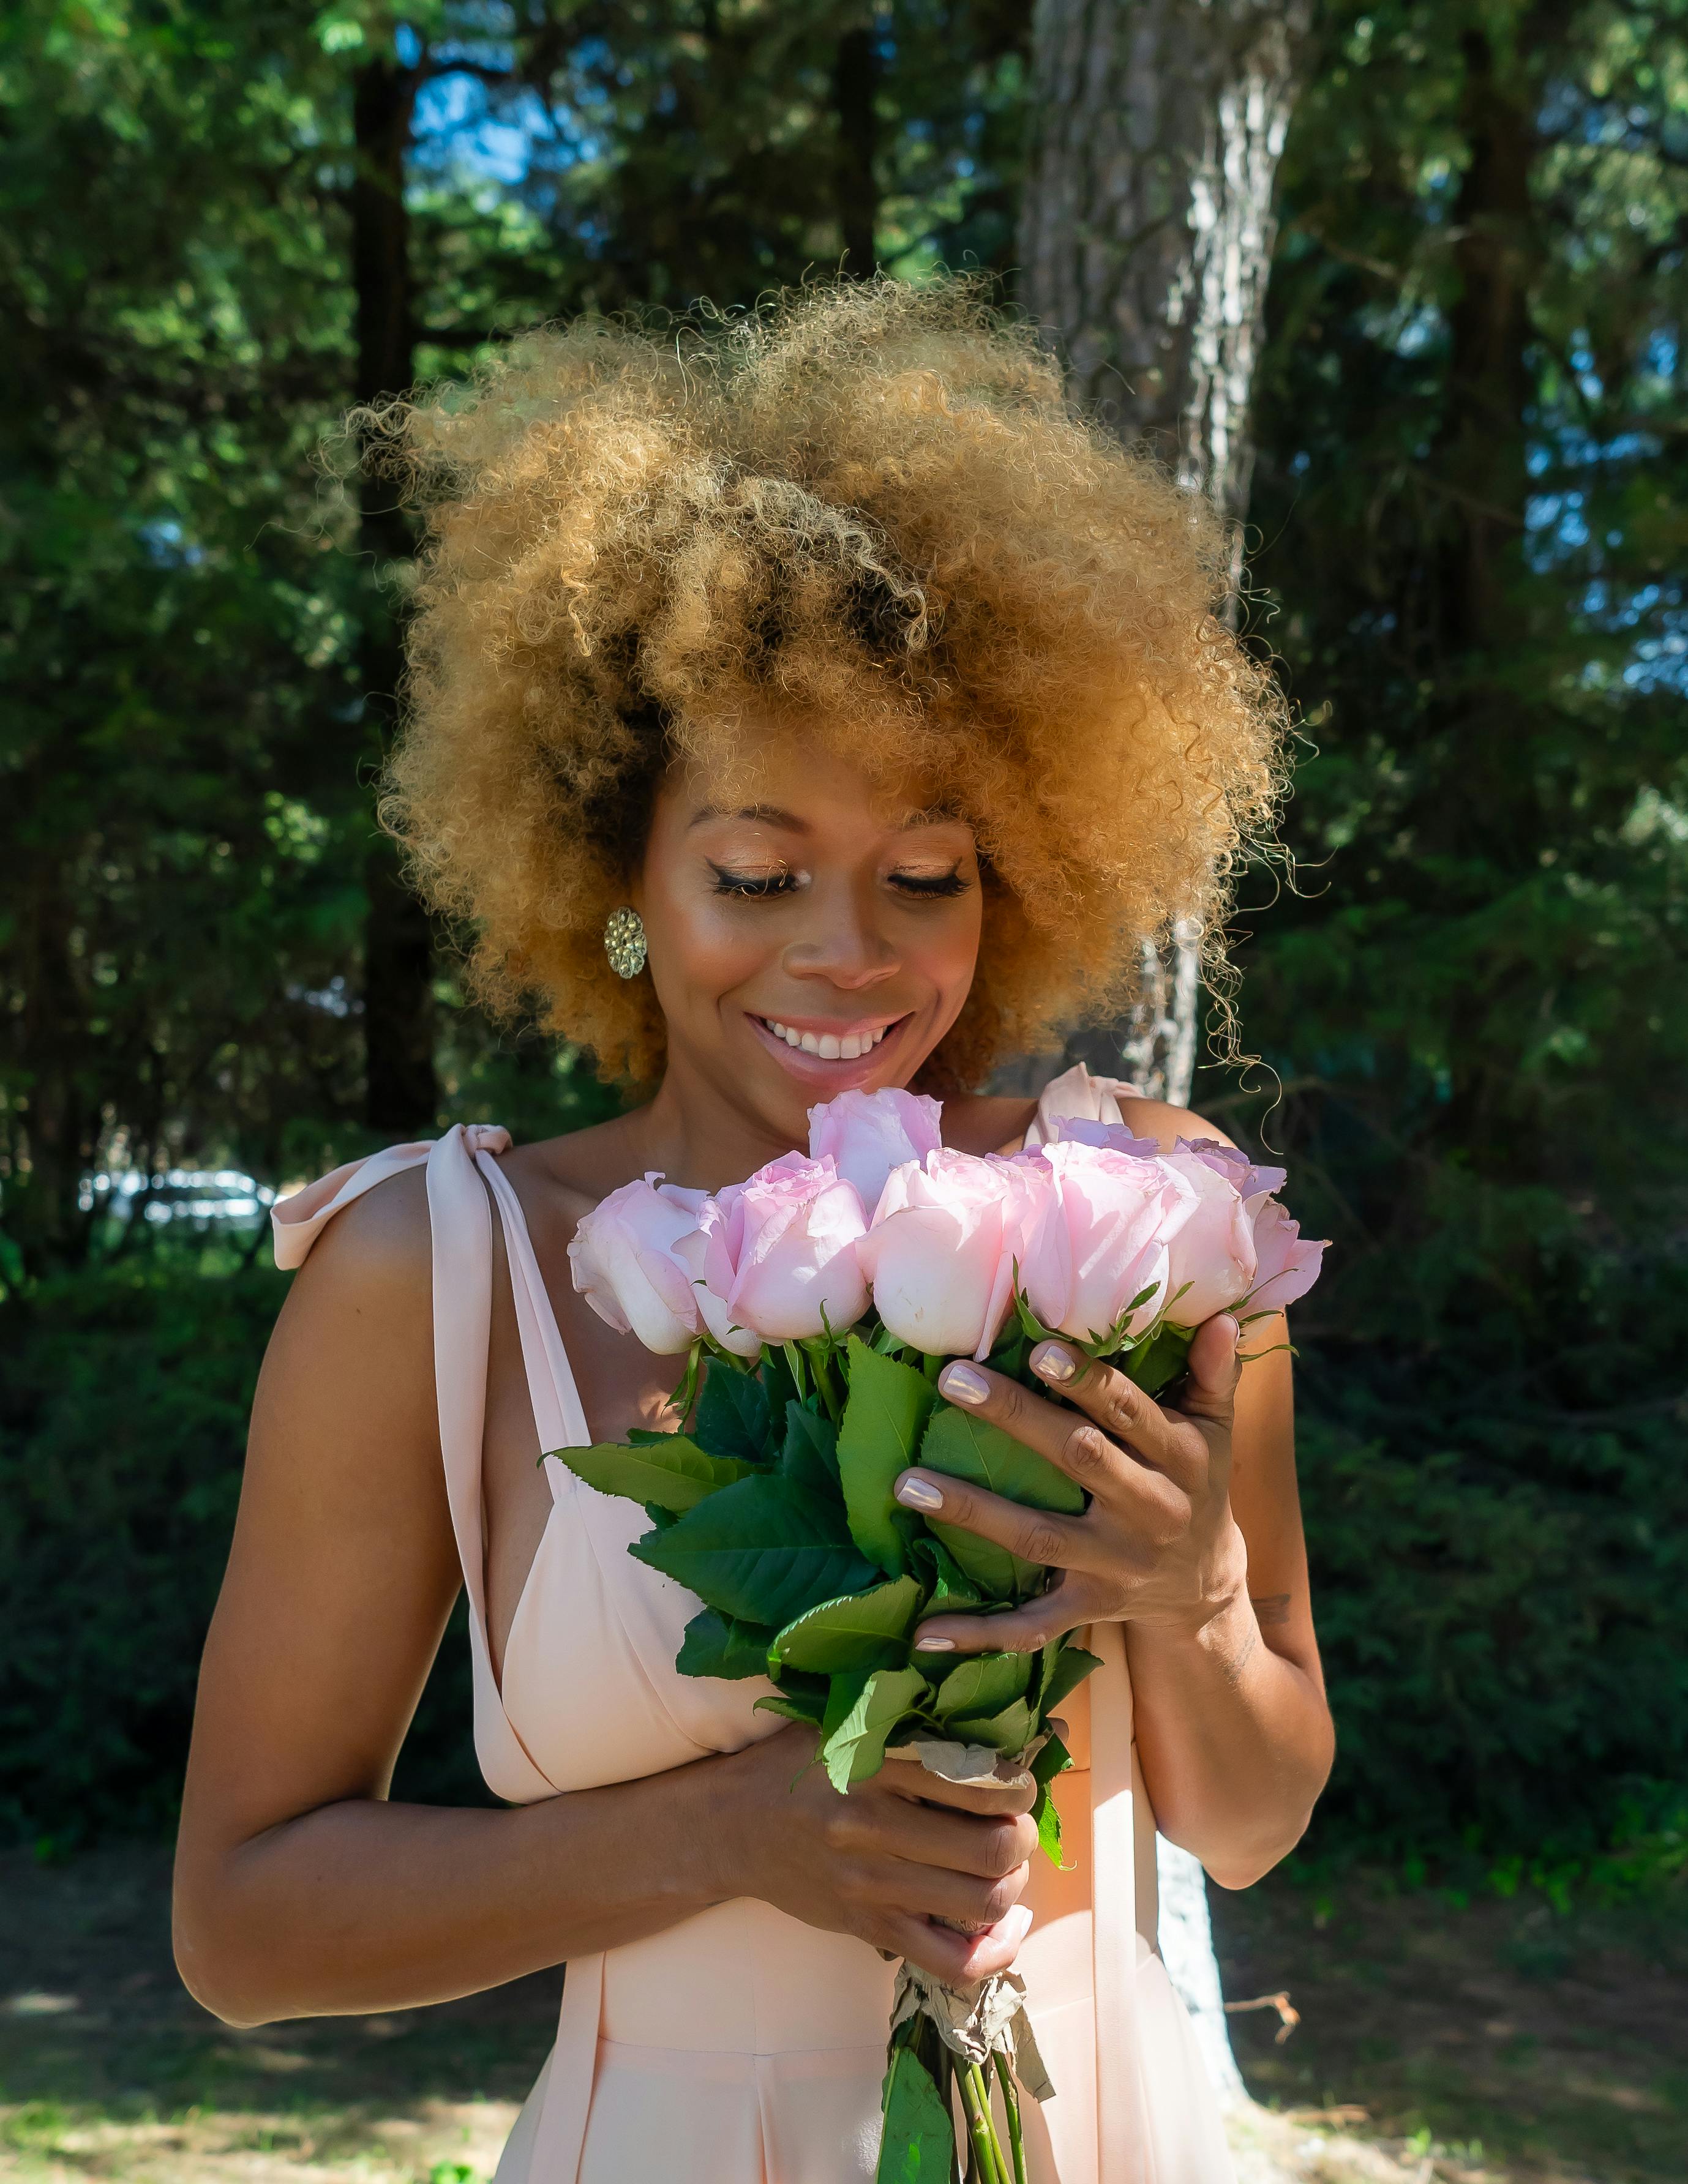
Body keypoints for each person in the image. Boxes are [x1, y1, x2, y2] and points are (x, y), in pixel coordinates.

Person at [173, 280, 1334, 2184]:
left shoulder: (1147, 1214)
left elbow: (1259, 1819)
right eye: (756, 869)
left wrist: (1191, 1587)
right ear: (616, 867)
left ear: (1012, 876)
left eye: (925, 872)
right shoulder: (431, 1276)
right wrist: (731, 1834)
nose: (847, 951)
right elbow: (240, 1929)